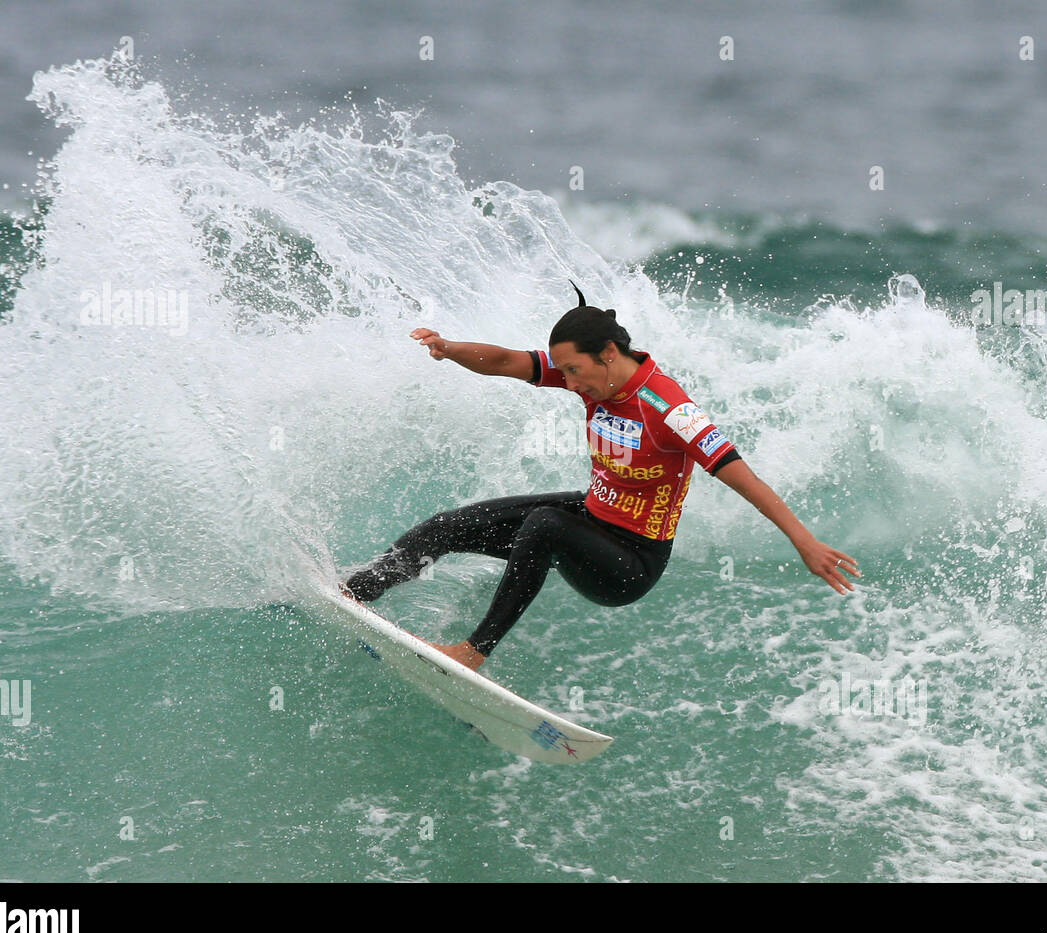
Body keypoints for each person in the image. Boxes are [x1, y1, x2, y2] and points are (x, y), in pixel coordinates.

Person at [342, 284, 861, 671]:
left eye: (572, 371)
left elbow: (743, 477)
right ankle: (356, 592)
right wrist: (449, 348)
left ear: (608, 354)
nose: (566, 381)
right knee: (451, 525)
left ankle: (473, 651)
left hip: (629, 564)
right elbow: (505, 360)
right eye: (562, 372)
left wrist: (805, 543)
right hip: (591, 520)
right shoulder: (594, 380)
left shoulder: (669, 408)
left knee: (543, 524)